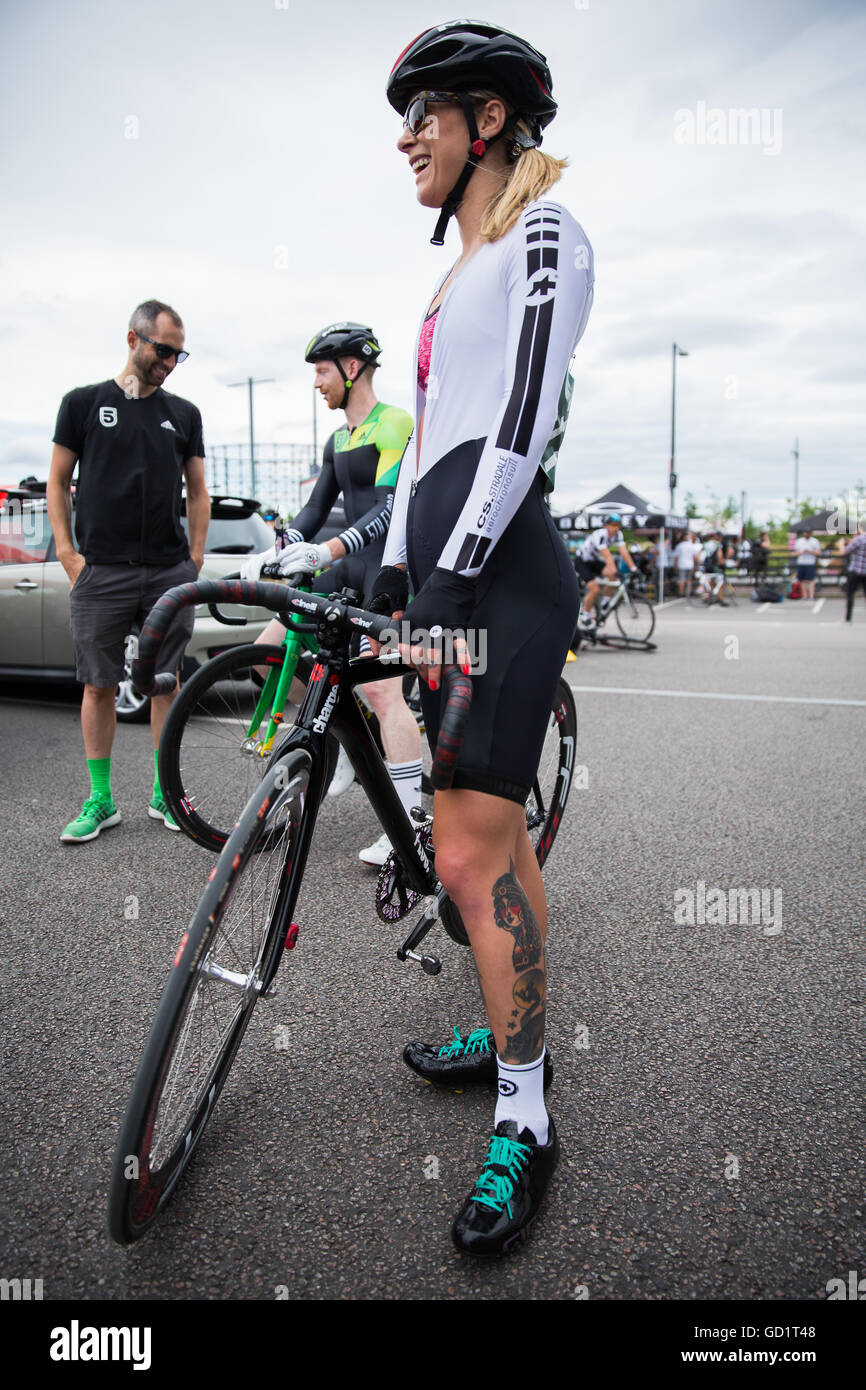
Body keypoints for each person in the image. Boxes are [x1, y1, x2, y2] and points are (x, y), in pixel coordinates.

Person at [370, 19, 594, 1256]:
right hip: (450, 573)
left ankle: (527, 1107)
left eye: (425, 115)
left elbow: (517, 414)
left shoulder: (542, 231)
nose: (406, 137)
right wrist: (386, 561)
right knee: (482, 847)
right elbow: (432, 437)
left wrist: (450, 575)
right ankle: (514, 1016)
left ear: (488, 120)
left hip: (505, 579)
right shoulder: (449, 275)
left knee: (467, 852)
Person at [241, 323, 421, 866]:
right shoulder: (337, 439)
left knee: (386, 696)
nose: (317, 383)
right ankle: (346, 734)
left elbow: (392, 509)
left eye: (322, 371)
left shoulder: (395, 423)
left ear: (352, 367)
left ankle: (410, 827)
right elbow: (315, 510)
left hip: (387, 569)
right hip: (344, 568)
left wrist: (329, 550)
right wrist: (283, 544)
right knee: (268, 654)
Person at [47, 299, 210, 842]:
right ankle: (101, 800)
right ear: (133, 340)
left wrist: (195, 560)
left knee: (166, 682)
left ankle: (166, 795)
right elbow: (57, 482)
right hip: (103, 572)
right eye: (163, 350)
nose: (169, 362)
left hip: (168, 570)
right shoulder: (83, 404)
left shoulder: (183, 414)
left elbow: (198, 491)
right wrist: (68, 554)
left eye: (178, 355)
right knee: (98, 686)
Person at [574, 514, 637, 633]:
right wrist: (614, 570)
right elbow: (607, 556)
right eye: (613, 525)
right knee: (595, 589)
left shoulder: (618, 535)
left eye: (618, 525)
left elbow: (624, 553)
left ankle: (605, 603)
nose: (616, 528)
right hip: (582, 561)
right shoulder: (600, 535)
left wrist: (634, 568)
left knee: (612, 575)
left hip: (594, 561)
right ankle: (585, 616)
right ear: (606, 526)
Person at [844, 519, 866, 622]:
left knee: (850, 594)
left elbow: (846, 551)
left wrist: (842, 544)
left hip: (855, 570)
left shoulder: (858, 539)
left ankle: (848, 618)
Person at [794, 528, 821, 600]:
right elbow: (795, 553)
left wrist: (810, 551)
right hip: (801, 562)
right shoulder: (799, 541)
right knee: (801, 580)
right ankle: (804, 595)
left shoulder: (814, 541)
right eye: (805, 532)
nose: (806, 534)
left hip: (810, 562)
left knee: (811, 580)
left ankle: (811, 596)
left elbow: (818, 552)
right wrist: (802, 552)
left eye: (808, 532)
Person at [673, 530, 700, 598]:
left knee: (681, 579)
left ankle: (681, 592)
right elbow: (694, 557)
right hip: (690, 565)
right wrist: (695, 565)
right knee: (689, 580)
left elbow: (676, 558)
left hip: (681, 565)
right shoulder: (691, 546)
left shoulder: (679, 546)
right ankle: (688, 592)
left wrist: (675, 566)